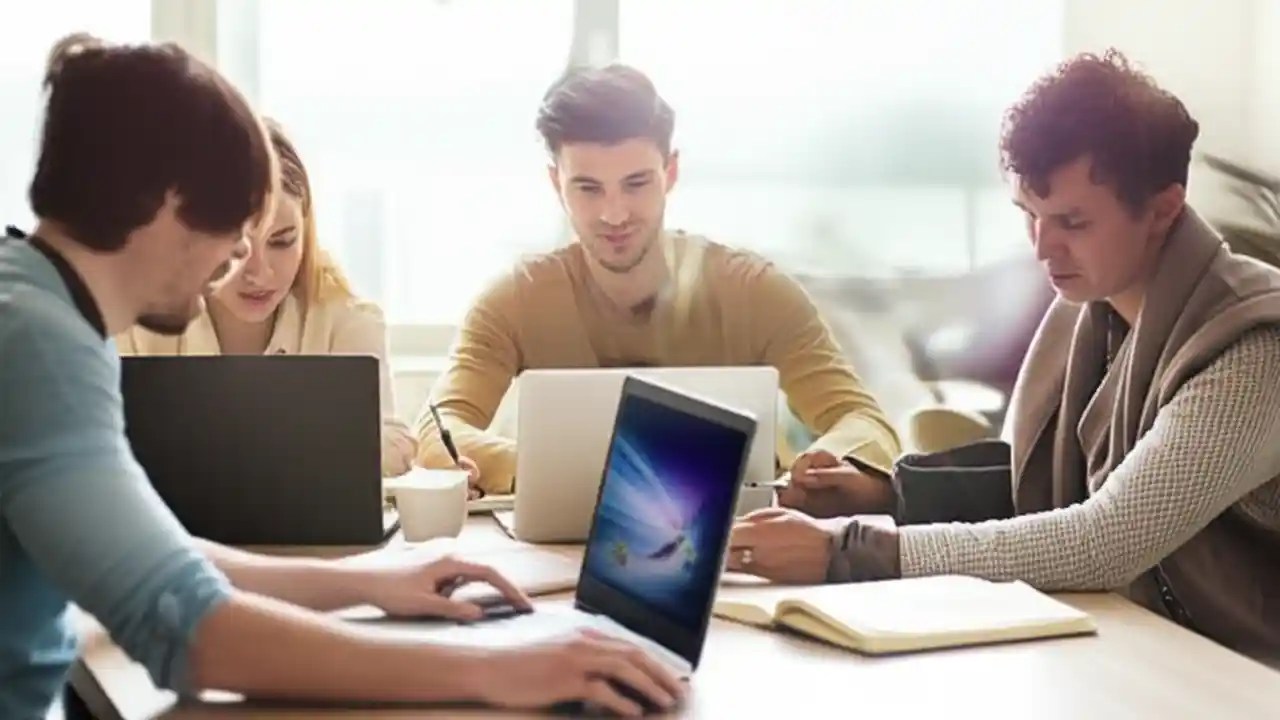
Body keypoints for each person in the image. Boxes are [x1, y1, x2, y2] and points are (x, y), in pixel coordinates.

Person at [0, 35, 682, 719]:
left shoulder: (30, 306)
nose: (242, 254)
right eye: (235, 219)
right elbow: (191, 631)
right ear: (167, 203)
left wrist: (365, 582)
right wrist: (494, 667)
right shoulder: (39, 346)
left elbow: (156, 558)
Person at [725, 49, 1280, 666]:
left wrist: (847, 551)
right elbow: (1039, 487)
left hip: (1244, 679)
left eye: (1072, 221)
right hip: (1140, 654)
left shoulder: (1252, 348)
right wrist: (881, 495)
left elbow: (1106, 540)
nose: (1043, 247)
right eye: (1028, 215)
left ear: (1162, 210)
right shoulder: (1092, 307)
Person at [417, 63, 903, 504]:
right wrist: (553, 471)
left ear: (670, 173)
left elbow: (865, 422)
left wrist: (823, 463)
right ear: (555, 184)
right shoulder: (516, 298)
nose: (614, 214)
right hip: (558, 541)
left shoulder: (756, 292)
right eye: (587, 188)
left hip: (737, 541)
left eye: (636, 183)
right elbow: (435, 431)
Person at [117, 119, 423, 479]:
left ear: (306, 231)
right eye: (237, 245)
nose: (260, 273)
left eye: (282, 241)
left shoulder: (348, 319)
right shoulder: (138, 317)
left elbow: (393, 444)